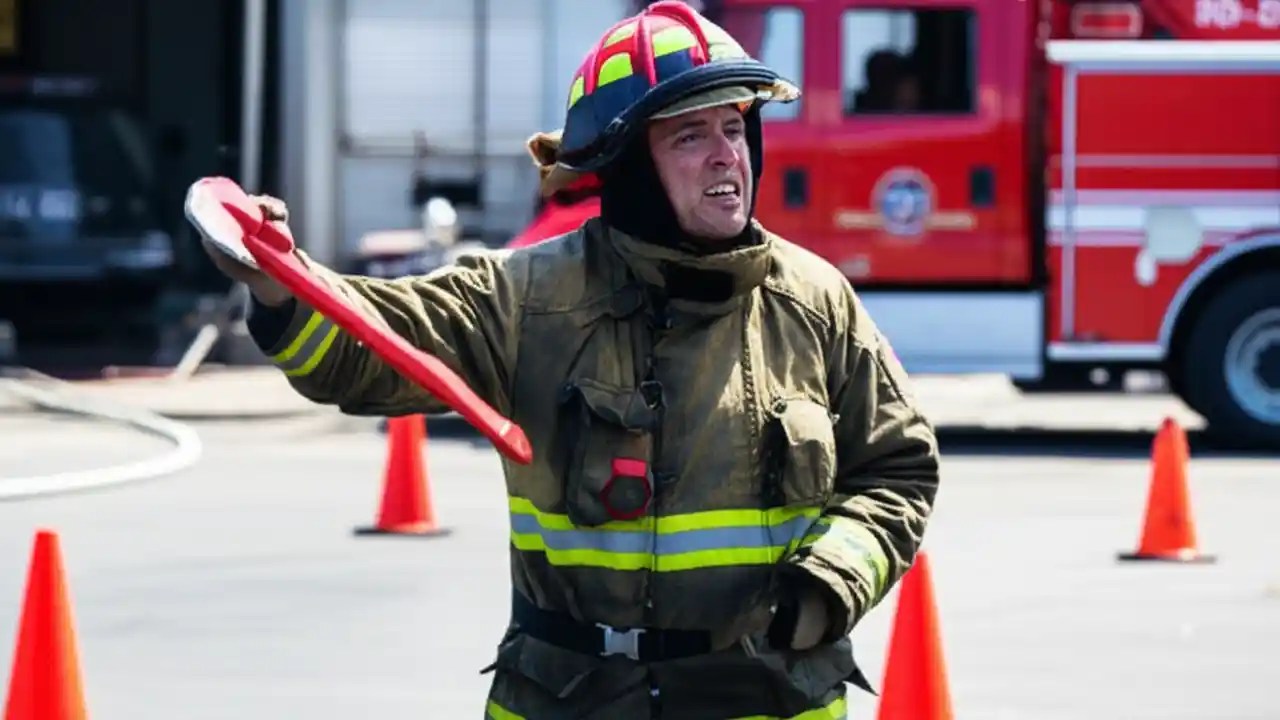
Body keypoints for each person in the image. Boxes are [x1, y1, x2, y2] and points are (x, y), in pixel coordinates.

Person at [203, 3, 940, 717]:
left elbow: (898, 466)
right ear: (629, 166)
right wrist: (282, 282)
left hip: (767, 700)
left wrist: (829, 585)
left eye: (735, 127)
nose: (727, 155)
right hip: (569, 700)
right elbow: (370, 347)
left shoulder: (815, 301)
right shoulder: (529, 298)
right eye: (689, 136)